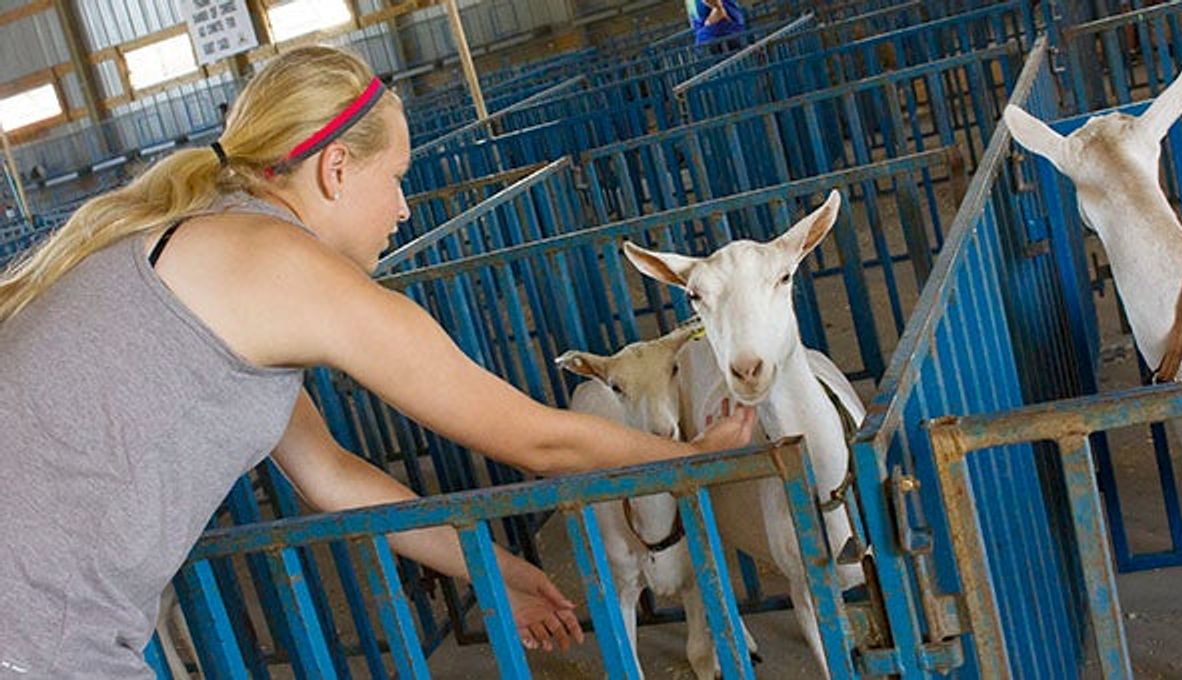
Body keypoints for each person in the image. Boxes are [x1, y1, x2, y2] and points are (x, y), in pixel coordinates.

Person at [0, 46, 755, 678]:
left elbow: (333, 478)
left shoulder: (222, 254)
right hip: (33, 633)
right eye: (395, 178)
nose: (403, 208)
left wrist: (490, 568)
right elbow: (537, 439)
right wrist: (689, 457)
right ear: (335, 170)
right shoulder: (285, 267)